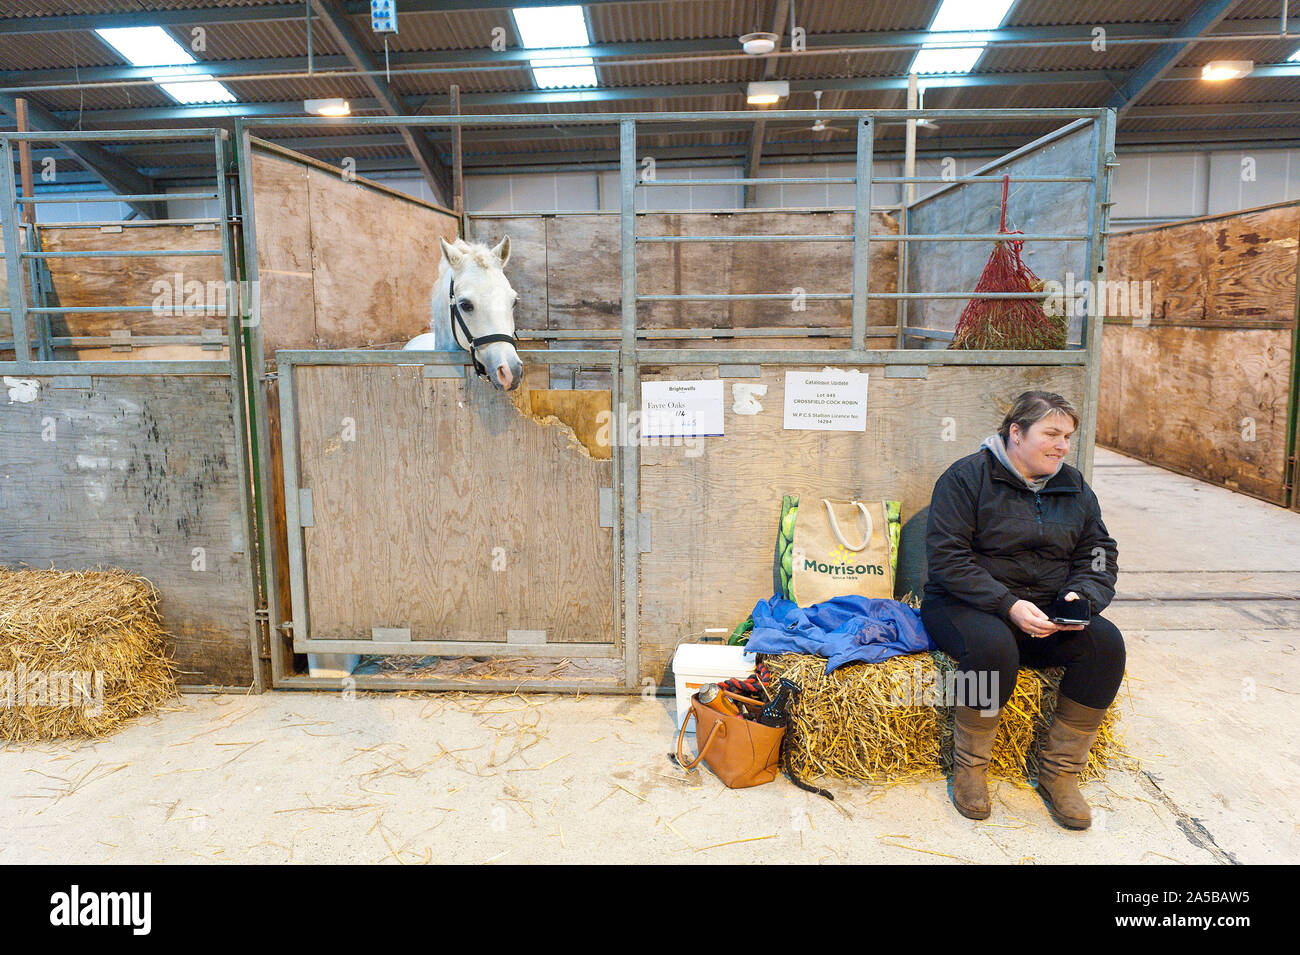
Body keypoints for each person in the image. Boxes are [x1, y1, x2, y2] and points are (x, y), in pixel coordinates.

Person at [920, 390, 1124, 830]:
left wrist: (1080, 597)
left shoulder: (1073, 486)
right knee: (994, 648)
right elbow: (948, 558)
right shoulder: (967, 478)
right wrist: (1007, 605)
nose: (1062, 446)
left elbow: (1099, 552)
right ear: (1016, 433)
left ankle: (1061, 774)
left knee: (1106, 644)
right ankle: (970, 768)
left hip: (1045, 607)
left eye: (1067, 436)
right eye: (1051, 434)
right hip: (965, 602)